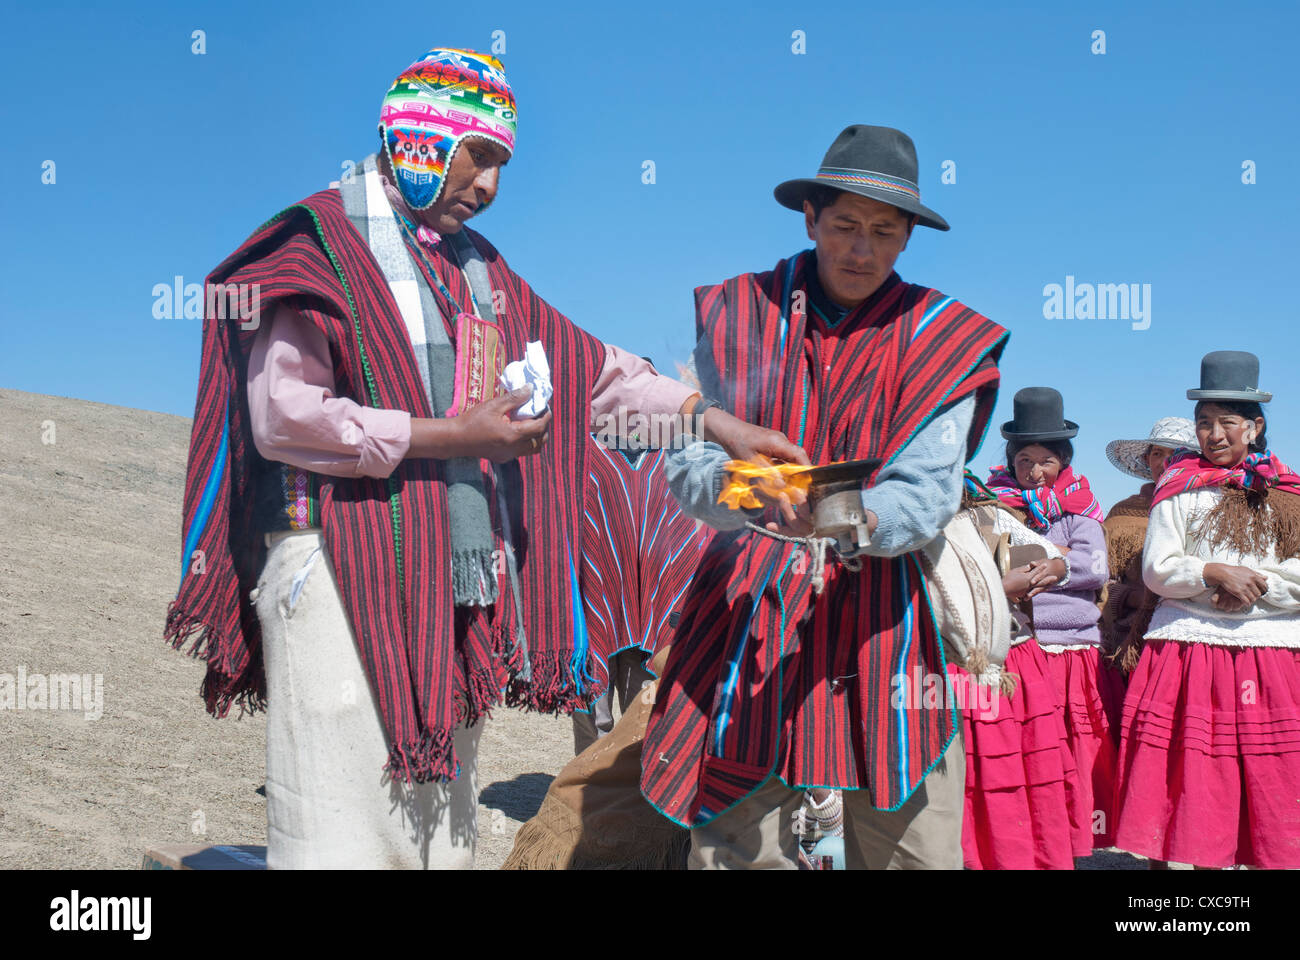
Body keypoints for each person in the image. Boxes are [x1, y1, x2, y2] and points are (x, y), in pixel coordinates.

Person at [165, 46, 791, 869]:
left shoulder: (480, 273)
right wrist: (456, 437)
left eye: (502, 165)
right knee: (340, 821)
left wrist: (714, 422)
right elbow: (284, 419)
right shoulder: (320, 245)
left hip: (448, 579)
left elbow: (594, 374)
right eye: (480, 155)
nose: (491, 185)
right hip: (333, 567)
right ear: (420, 137)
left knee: (439, 828)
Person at [639, 124, 1008, 870]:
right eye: (844, 225)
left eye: (884, 231)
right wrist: (749, 491)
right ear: (809, 219)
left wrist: (854, 517)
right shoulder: (737, 314)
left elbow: (929, 490)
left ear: (908, 237)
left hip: (889, 612)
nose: (861, 250)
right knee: (738, 844)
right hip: (747, 604)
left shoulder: (945, 341)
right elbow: (691, 461)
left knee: (915, 847)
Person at [1113, 351, 1300, 869]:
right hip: (1190, 650)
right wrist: (1213, 573)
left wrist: (1255, 587)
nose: (1214, 434)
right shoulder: (1178, 490)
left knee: (1268, 778)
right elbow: (1159, 569)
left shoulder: (1289, 495)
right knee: (1194, 776)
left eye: (1227, 422)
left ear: (1255, 427)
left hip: (1268, 654)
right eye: (1203, 423)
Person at [985, 387, 1121, 853]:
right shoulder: (995, 510)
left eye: (1046, 460)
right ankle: (1031, 841)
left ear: (1063, 461)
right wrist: (1057, 556)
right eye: (1024, 459)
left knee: (1072, 748)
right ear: (1011, 461)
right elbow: (985, 564)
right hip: (1019, 648)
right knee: (1030, 749)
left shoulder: (1080, 511)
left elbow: (1096, 567)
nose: (1035, 470)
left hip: (1071, 651)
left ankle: (1072, 840)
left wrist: (1057, 565)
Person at [955, 474, 1088, 870]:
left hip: (1014, 656)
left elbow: (1058, 560)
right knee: (979, 774)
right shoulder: (917, 525)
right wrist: (999, 587)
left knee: (1027, 769)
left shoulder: (988, 514)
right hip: (959, 665)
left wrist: (1051, 568)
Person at [572, 431, 710, 754]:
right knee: (592, 711)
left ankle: (634, 784)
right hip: (594, 602)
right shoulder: (585, 453)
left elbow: (681, 537)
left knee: (644, 718)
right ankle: (589, 782)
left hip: (652, 607)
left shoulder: (668, 458)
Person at [1101, 417, 1197, 671]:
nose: (1165, 462)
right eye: (1157, 453)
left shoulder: (1208, 511)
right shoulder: (1123, 514)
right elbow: (1099, 582)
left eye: (1176, 454)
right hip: (1131, 642)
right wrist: (1134, 597)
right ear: (1146, 459)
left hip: (1194, 635)